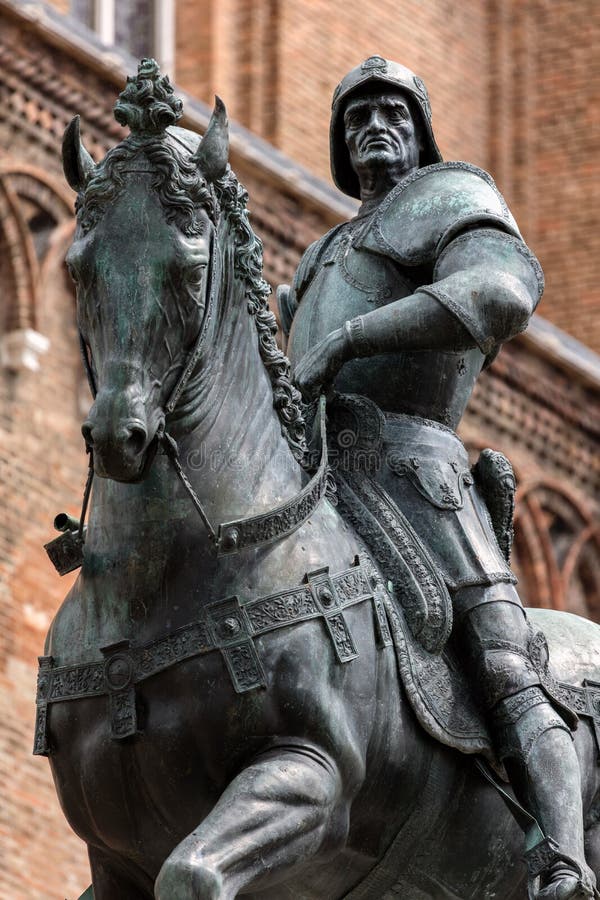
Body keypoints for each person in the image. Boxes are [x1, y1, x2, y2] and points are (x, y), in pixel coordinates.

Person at [283, 55, 596, 900]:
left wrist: (351, 340)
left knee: (504, 661)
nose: (373, 127)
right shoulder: (320, 255)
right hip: (316, 472)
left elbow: (503, 290)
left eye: (393, 112)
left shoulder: (451, 198)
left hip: (414, 469)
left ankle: (565, 857)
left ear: (421, 131)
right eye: (356, 117)